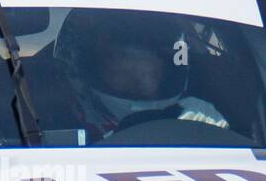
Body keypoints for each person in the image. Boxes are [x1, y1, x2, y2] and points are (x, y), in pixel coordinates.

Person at [52, 9, 229, 136]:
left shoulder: (197, 117)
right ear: (88, 67)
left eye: (148, 68)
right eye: (121, 67)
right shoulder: (58, 126)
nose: (138, 75)